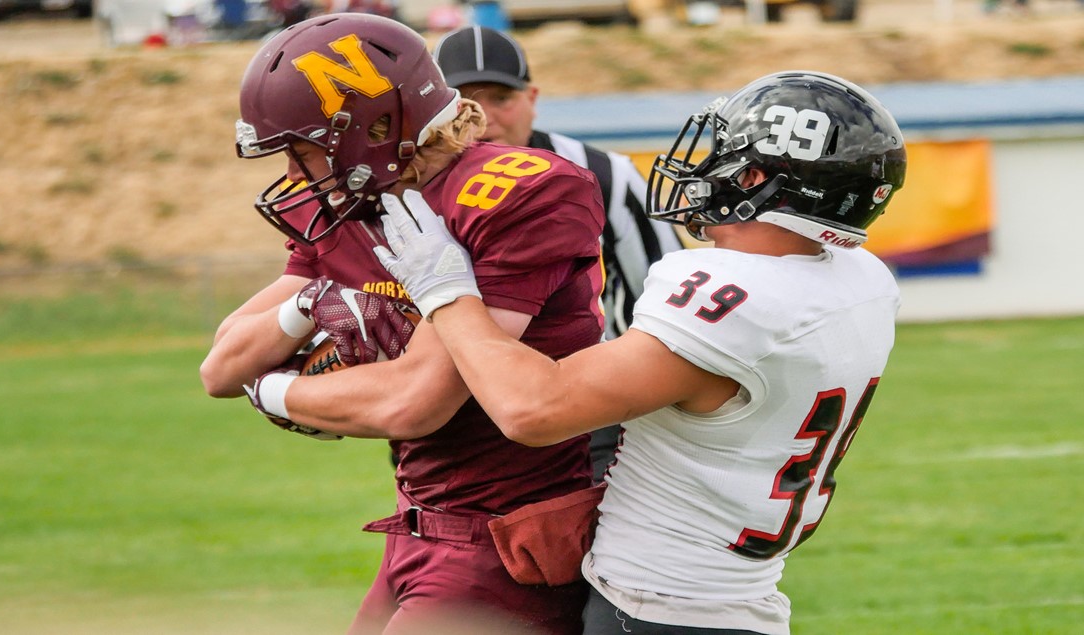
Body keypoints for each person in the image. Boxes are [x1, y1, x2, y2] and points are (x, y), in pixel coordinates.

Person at [375, 70, 908, 635]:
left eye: (728, 158)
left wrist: (447, 292)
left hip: (657, 608)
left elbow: (531, 409)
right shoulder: (863, 280)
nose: (707, 170)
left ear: (760, 180)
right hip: (735, 598)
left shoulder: (736, 297)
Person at [199, 14, 607, 635]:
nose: (293, 173)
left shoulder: (519, 193)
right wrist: (310, 302)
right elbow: (220, 369)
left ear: (377, 127)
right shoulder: (356, 204)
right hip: (414, 525)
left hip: (510, 534)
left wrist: (277, 392)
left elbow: (416, 402)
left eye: (303, 149)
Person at [432, 24, 685, 482]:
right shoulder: (410, 187)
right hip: (448, 411)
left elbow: (662, 294)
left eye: (500, 98)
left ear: (532, 96)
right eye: (462, 100)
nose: (483, 116)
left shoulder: (607, 175)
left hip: (584, 411)